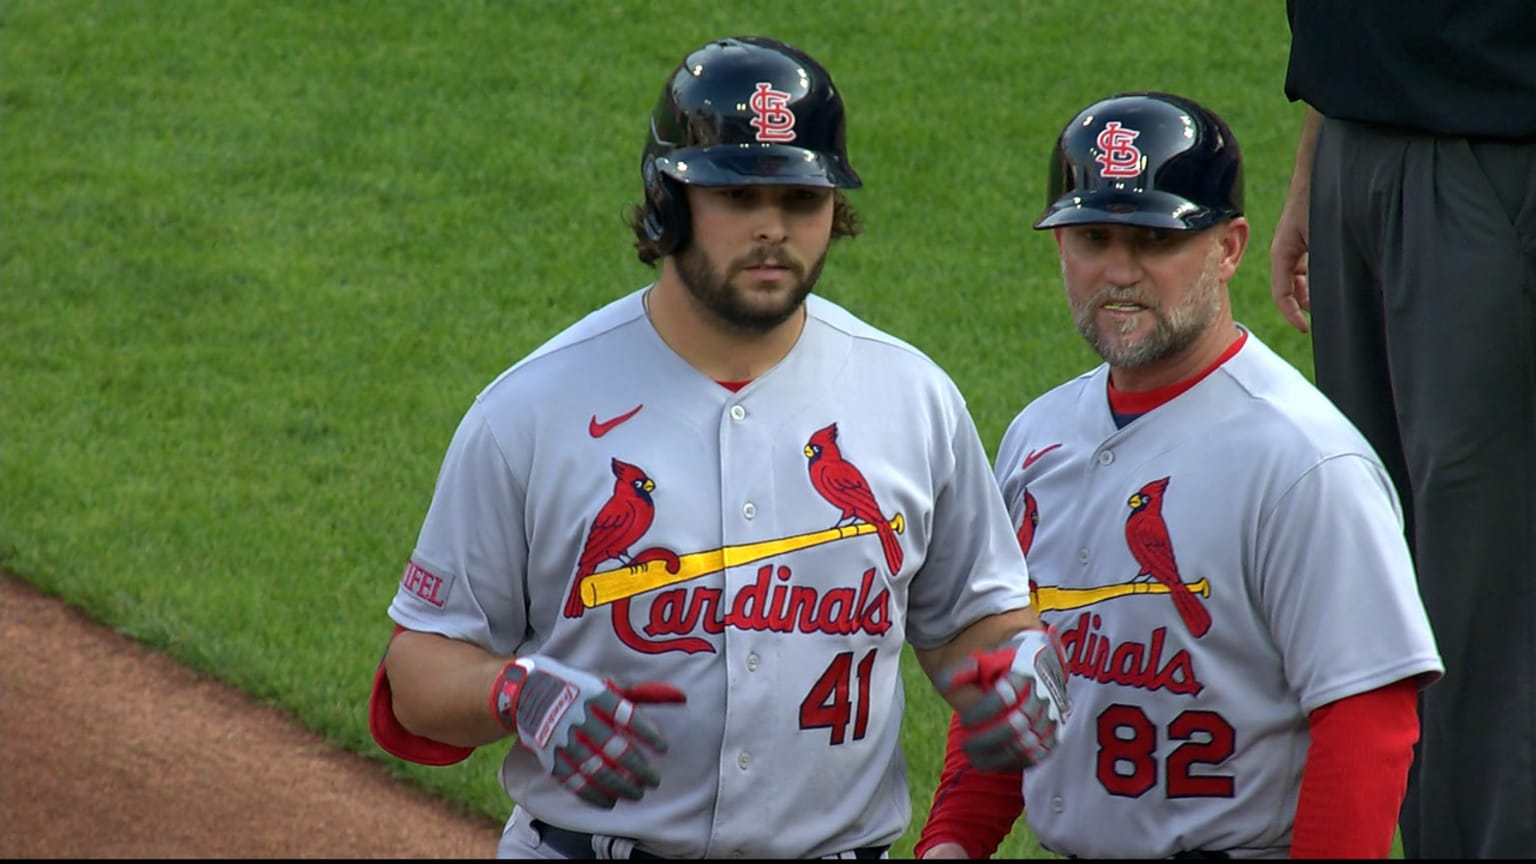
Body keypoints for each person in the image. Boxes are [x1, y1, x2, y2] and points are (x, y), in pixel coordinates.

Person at [365, 35, 1069, 860]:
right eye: (739, 195)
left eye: (802, 197)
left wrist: (1023, 669)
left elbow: (977, 623)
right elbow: (418, 673)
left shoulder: (911, 399)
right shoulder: (534, 408)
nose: (774, 227)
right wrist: (514, 691)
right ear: (668, 202)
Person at [914, 92, 1445, 859]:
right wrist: (953, 841)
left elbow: (1369, 719)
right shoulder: (1037, 437)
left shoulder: (1302, 461)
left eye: (1154, 240)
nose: (1120, 272)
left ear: (1229, 248)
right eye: (1093, 237)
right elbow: (1012, 681)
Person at [1269, 3, 1536, 857]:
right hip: (1359, 130)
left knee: (1491, 587)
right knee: (1380, 574)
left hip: (1496, 144)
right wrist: (1319, 150)